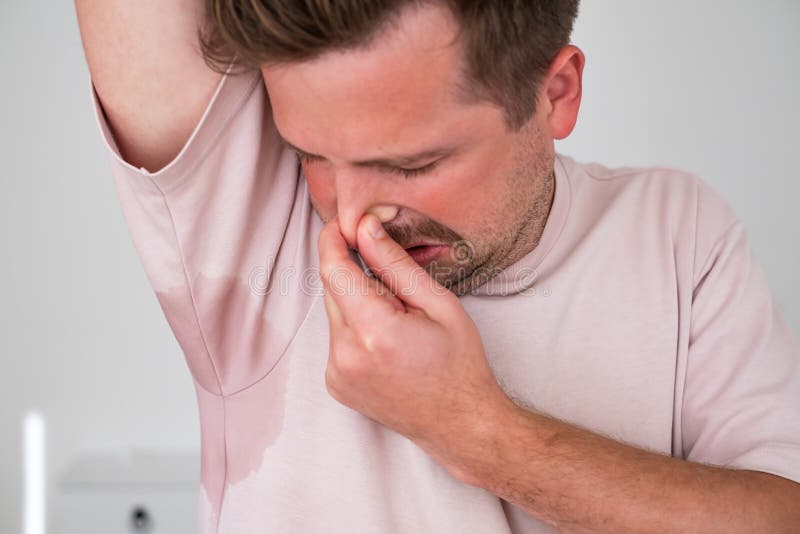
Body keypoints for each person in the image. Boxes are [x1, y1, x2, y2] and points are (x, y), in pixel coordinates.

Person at [75, 1, 800, 532]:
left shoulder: (678, 230)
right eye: (313, 157)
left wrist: (473, 430)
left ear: (556, 94)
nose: (353, 217)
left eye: (411, 164)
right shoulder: (258, 230)